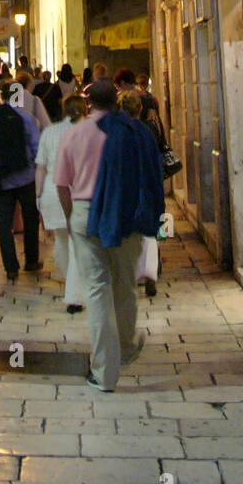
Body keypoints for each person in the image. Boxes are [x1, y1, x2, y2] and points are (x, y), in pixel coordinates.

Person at [54, 78, 164, 392]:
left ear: (89, 104)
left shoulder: (74, 133)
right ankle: (126, 349)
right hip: (126, 214)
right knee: (125, 283)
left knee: (97, 290)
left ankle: (103, 372)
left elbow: (62, 185)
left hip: (86, 215)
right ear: (115, 103)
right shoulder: (133, 132)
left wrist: (72, 216)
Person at [0, 76, 41, 283]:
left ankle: (11, 267)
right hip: (25, 176)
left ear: (2, 97)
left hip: (1, 178)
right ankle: (31, 260)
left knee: (4, 223)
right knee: (30, 218)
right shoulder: (28, 118)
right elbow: (36, 148)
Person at [36, 92, 85, 314]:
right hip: (77, 191)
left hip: (51, 191)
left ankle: (68, 280)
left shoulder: (49, 132)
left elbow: (41, 166)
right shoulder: (88, 133)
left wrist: (37, 195)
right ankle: (75, 291)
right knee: (78, 243)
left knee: (62, 238)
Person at [120, 89, 159, 298]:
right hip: (146, 187)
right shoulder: (147, 133)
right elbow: (155, 166)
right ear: (140, 109)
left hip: (125, 191)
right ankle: (151, 276)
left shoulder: (117, 134)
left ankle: (132, 276)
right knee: (149, 233)